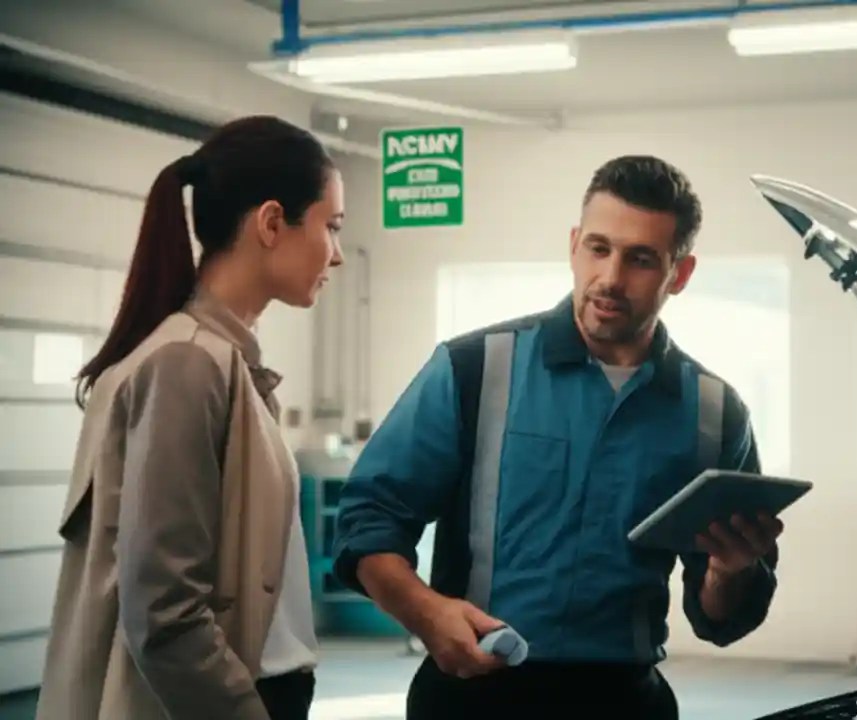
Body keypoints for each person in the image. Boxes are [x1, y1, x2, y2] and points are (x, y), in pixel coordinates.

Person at [332, 155, 783, 718]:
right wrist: (425, 613)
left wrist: (730, 570)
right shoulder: (473, 369)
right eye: (599, 248)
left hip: (625, 703)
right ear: (574, 245)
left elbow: (721, 617)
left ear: (680, 273)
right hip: (472, 694)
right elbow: (367, 520)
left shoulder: (715, 413)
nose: (611, 278)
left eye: (641, 259)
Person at [35, 115, 345, 720]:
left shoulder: (220, 361)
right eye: (331, 227)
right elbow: (165, 611)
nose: (335, 254)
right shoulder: (188, 364)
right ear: (272, 223)